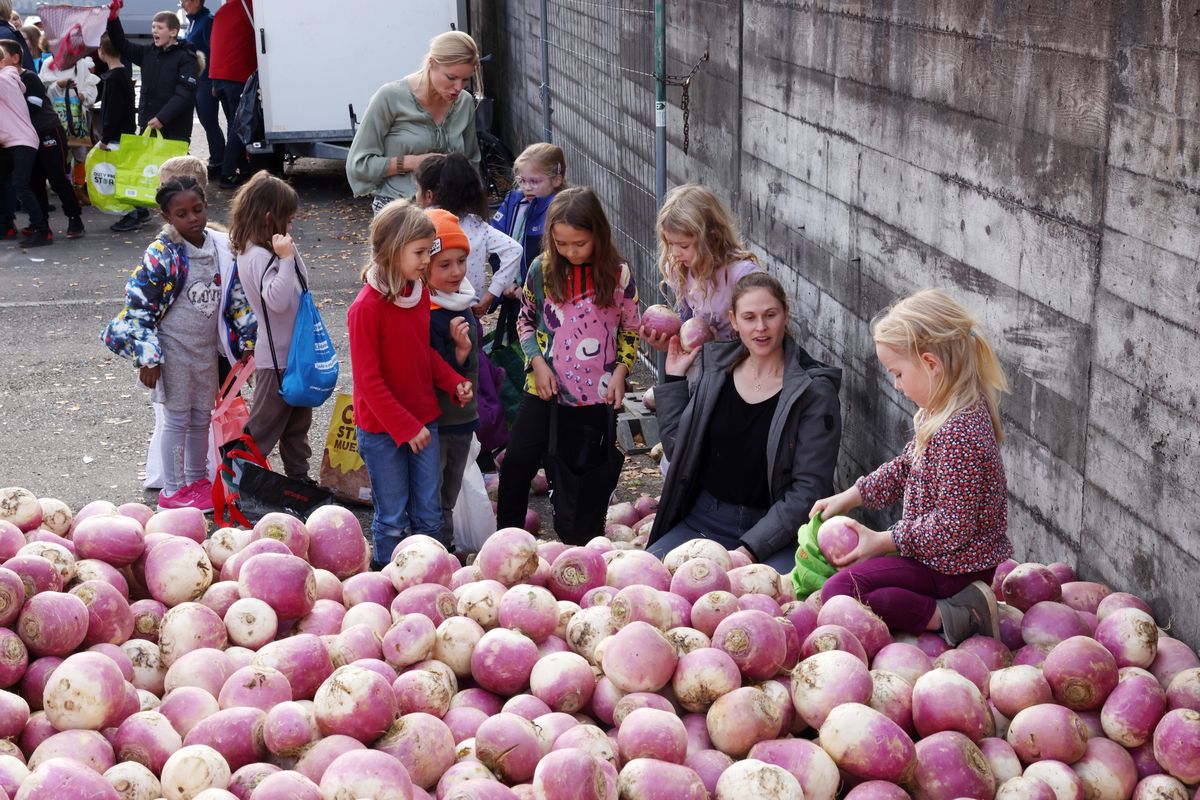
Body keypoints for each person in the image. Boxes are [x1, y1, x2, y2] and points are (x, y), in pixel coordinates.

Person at [812, 289, 1011, 645]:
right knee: (847, 588)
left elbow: (954, 528)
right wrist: (852, 495)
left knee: (841, 593)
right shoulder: (944, 410)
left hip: (957, 566)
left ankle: (959, 613)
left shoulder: (958, 433)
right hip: (939, 556)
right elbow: (906, 467)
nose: (896, 385)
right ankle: (941, 606)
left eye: (898, 373)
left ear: (931, 364)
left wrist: (884, 540)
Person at [646, 272, 843, 574]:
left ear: (785, 316)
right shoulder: (716, 373)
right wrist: (673, 381)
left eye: (770, 315)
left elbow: (809, 489)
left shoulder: (813, 392)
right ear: (734, 321)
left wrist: (750, 549)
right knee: (649, 582)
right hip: (703, 520)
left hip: (775, 534)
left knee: (762, 609)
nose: (761, 327)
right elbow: (680, 451)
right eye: (749, 317)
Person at [101, 176, 255, 511]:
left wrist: (246, 340)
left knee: (202, 417)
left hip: (204, 352)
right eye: (182, 213)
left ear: (206, 206)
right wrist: (148, 358)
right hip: (171, 351)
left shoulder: (220, 247)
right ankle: (173, 490)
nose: (193, 218)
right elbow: (139, 305)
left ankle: (196, 480)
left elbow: (237, 296)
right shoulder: (162, 254)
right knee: (176, 419)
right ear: (167, 217)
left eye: (197, 209)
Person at [495, 187, 640, 540]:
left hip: (594, 399)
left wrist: (621, 371)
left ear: (598, 235)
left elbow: (631, 329)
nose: (571, 252)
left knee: (581, 475)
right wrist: (536, 363)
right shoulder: (541, 270)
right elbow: (524, 321)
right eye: (561, 244)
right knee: (516, 465)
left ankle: (581, 551)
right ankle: (508, 543)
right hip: (543, 391)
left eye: (580, 243)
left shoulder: (618, 275)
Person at [348, 199, 473, 570]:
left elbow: (424, 354)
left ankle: (431, 575)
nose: (425, 261)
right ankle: (389, 581)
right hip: (383, 430)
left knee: (430, 513)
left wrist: (453, 381)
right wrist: (405, 427)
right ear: (391, 249)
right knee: (392, 517)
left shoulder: (417, 294)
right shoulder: (366, 309)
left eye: (427, 251)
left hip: (424, 422)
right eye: (420, 252)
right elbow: (368, 382)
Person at [228, 171, 316, 482]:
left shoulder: (269, 250)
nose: (292, 227)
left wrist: (289, 255)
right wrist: (287, 258)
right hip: (275, 360)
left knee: (296, 424)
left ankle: (299, 479)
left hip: (292, 355)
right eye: (288, 220)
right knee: (264, 425)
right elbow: (276, 300)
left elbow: (300, 285)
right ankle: (237, 480)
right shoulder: (256, 255)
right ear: (269, 219)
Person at [346, 31, 481, 214]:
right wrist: (412, 162)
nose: (458, 87)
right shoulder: (390, 97)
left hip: (451, 213)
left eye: (465, 79)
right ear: (432, 63)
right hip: (398, 212)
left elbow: (472, 163)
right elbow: (359, 165)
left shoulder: (464, 102)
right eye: (451, 77)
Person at [106, 7, 202, 232]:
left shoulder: (185, 58)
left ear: (173, 32)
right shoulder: (149, 53)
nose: (154, 32)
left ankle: (185, 213)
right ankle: (139, 212)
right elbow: (122, 44)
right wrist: (113, 19)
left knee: (176, 175)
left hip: (174, 127)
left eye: (159, 28)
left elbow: (185, 94)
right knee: (143, 170)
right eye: (153, 28)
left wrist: (162, 118)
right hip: (149, 125)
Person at [643, 184, 761, 350]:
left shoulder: (742, 275)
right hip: (703, 368)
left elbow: (761, 333)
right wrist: (673, 343)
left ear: (712, 237)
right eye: (670, 243)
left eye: (684, 246)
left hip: (739, 366)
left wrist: (714, 343)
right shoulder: (680, 269)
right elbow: (687, 322)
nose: (675, 253)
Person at [423, 208, 479, 553]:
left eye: (461, 261)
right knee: (437, 488)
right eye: (444, 265)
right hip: (441, 419)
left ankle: (443, 543)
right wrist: (458, 355)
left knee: (452, 485)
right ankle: (437, 548)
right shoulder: (427, 311)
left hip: (464, 417)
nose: (456, 271)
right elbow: (427, 367)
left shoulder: (462, 301)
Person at [414, 152, 523, 317]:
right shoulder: (477, 225)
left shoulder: (422, 224)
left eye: (417, 189)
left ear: (429, 195)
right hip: (469, 312)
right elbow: (514, 250)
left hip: (431, 310)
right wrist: (491, 294)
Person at [0, 40, 83, 242]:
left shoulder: (28, 78)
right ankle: (41, 223)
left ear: (15, 58)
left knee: (57, 178)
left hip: (47, 131)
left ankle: (75, 218)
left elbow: (33, 107)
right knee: (33, 181)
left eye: (1, 56)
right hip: (25, 138)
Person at [488, 143, 567, 345]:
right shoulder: (513, 201)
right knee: (519, 339)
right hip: (511, 291)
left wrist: (526, 288)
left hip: (545, 298)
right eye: (522, 180)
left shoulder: (560, 210)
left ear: (556, 179)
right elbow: (495, 241)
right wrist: (505, 280)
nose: (526, 187)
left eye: (534, 181)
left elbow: (556, 259)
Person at [0, 43, 49, 247]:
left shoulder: (4, 80)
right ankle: (5, 225)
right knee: (4, 182)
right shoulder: (8, 79)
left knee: (21, 184)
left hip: (21, 140)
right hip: (12, 140)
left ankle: (42, 230)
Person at [38, 43, 99, 205]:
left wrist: (84, 95)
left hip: (78, 115)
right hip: (56, 118)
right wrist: (59, 85)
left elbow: (90, 86)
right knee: (59, 154)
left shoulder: (81, 64)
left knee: (80, 153)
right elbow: (43, 90)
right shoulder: (49, 64)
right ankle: (63, 186)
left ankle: (78, 188)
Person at [208, 0, 254, 187]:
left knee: (233, 124)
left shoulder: (224, 10)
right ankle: (227, 175)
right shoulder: (253, 7)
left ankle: (243, 170)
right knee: (238, 127)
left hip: (218, 77)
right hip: (237, 76)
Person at [180, 0, 222, 176]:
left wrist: (214, 81)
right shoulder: (194, 21)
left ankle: (219, 161)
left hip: (206, 81)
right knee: (206, 122)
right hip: (198, 81)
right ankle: (217, 159)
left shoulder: (207, 21)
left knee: (210, 122)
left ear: (196, 2)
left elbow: (214, 52)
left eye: (184, 1)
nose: (182, 4)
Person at [95, 33, 135, 150]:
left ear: (101, 50)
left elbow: (113, 111)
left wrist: (105, 138)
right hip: (124, 135)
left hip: (115, 139)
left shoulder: (114, 78)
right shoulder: (123, 72)